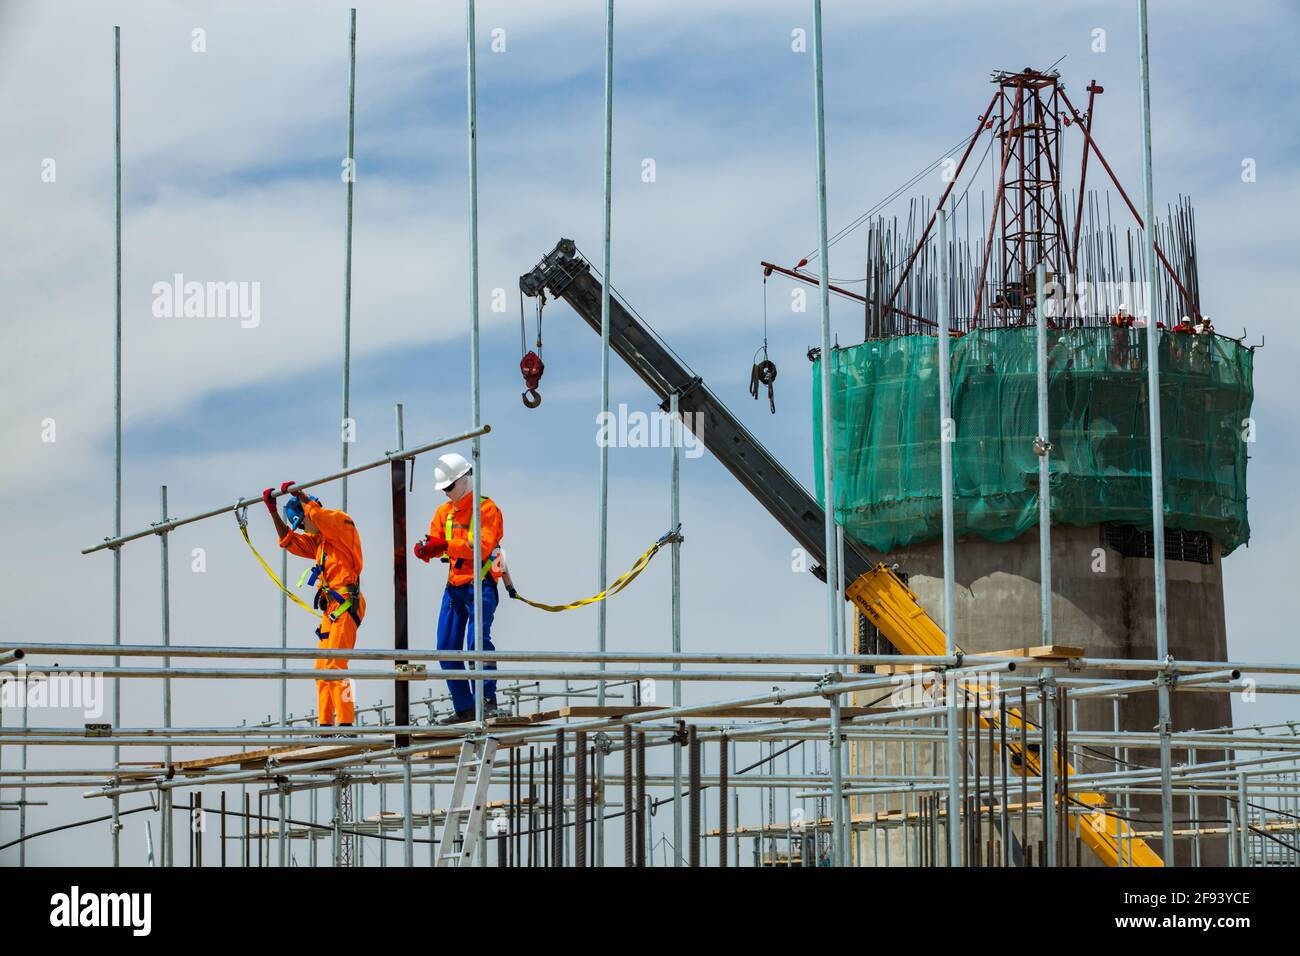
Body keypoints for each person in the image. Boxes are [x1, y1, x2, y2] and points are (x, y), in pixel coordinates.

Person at [262, 481, 365, 729]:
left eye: (304, 525)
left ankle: (347, 726)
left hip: (346, 602)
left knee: (336, 665)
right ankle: (326, 727)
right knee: (321, 669)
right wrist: (273, 512)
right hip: (331, 609)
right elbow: (289, 541)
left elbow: (318, 515)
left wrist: (302, 495)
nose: (305, 531)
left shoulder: (341, 524)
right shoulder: (320, 544)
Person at [414, 452, 505, 724]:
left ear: (465, 479)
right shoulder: (443, 513)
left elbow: (482, 547)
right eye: (443, 489)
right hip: (454, 586)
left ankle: (486, 701)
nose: (446, 493)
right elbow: (436, 540)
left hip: (481, 583)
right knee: (446, 648)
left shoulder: (487, 509)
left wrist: (443, 546)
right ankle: (465, 707)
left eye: (450, 487)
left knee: (477, 643)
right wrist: (426, 550)